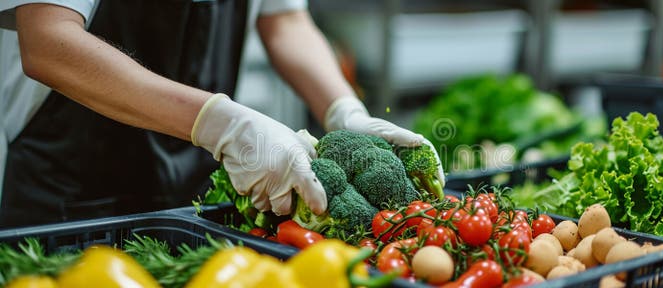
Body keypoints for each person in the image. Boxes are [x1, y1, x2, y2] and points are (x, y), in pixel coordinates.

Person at [0, 0, 444, 227]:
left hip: (195, 194)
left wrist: (343, 110)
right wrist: (222, 124)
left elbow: (285, 20)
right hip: (67, 200)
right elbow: (48, 42)